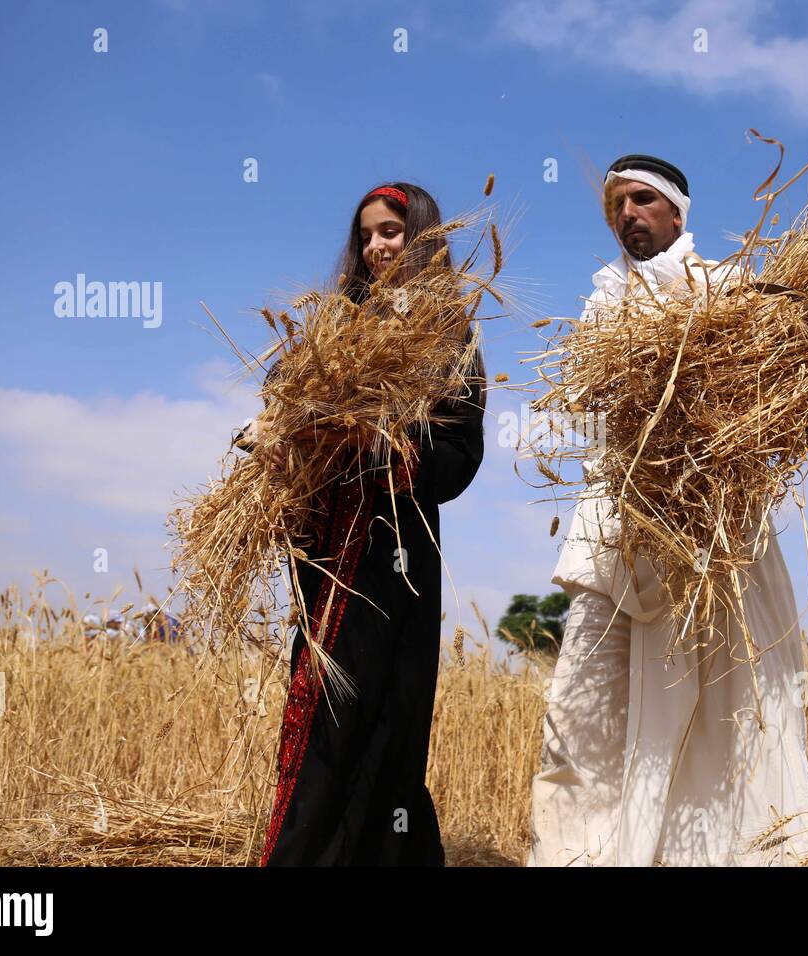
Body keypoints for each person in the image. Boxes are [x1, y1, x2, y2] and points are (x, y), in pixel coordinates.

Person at [527, 154, 808, 867]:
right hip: (615, 529)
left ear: (678, 213)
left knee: (726, 711)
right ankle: (580, 857)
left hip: (712, 530)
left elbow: (776, 419)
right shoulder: (600, 308)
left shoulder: (731, 291)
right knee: (581, 711)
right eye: (618, 203)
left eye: (643, 200)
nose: (628, 214)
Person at [255, 182, 486, 866]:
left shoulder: (449, 335)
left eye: (392, 231)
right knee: (322, 707)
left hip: (395, 560)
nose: (379, 245)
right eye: (368, 235)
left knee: (386, 711)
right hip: (327, 553)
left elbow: (460, 454)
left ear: (421, 237)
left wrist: (387, 443)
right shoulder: (334, 326)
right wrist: (283, 432)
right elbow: (286, 398)